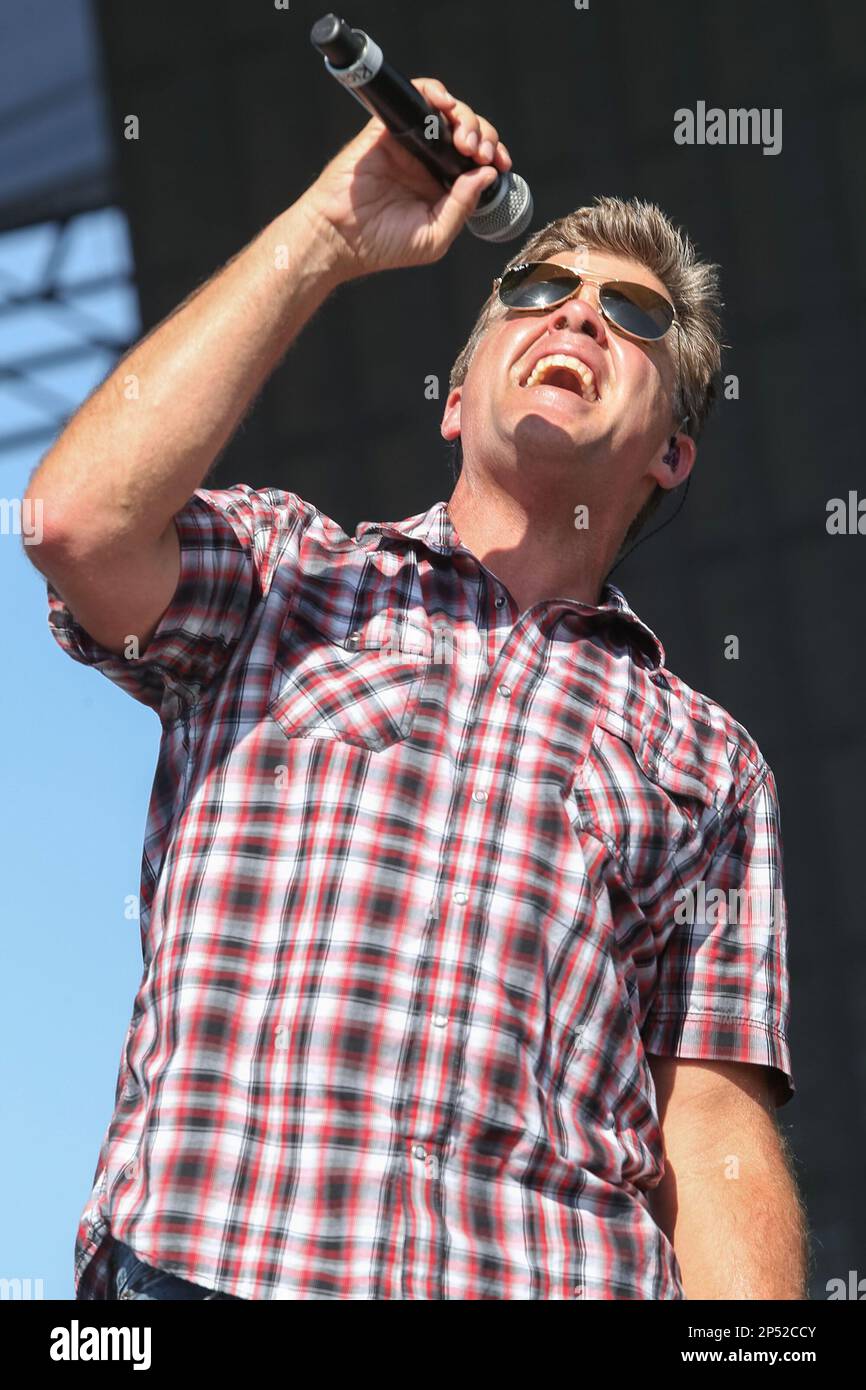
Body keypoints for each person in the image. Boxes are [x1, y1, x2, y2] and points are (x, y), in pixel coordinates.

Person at [23, 77, 807, 1300]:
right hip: (204, 1272)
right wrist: (331, 232)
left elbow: (707, 1119)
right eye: (538, 292)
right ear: (452, 401)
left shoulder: (705, 758)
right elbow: (77, 522)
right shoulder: (288, 573)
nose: (581, 319)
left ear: (671, 451)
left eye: (632, 317)